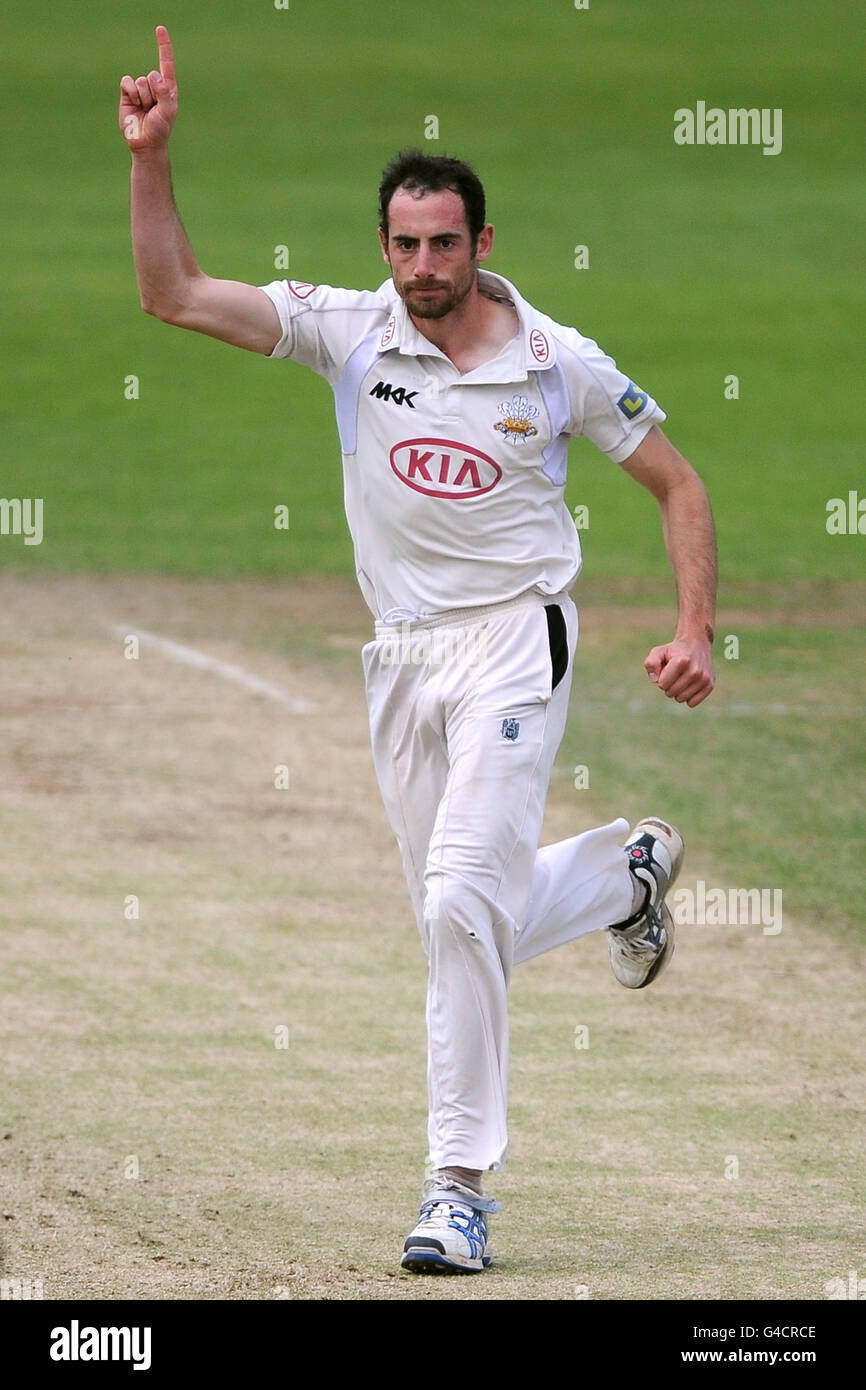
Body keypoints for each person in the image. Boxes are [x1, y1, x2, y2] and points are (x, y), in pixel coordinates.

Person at [120, 25, 717, 1276]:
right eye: (404, 244)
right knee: (464, 923)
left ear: (482, 244)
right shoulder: (350, 332)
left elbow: (677, 484)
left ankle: (456, 1190)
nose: (423, 265)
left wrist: (688, 630)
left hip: (515, 642)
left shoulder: (557, 366)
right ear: (381, 248)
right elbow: (171, 293)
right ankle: (625, 876)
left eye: (445, 243)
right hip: (400, 659)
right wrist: (153, 157)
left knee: (458, 904)